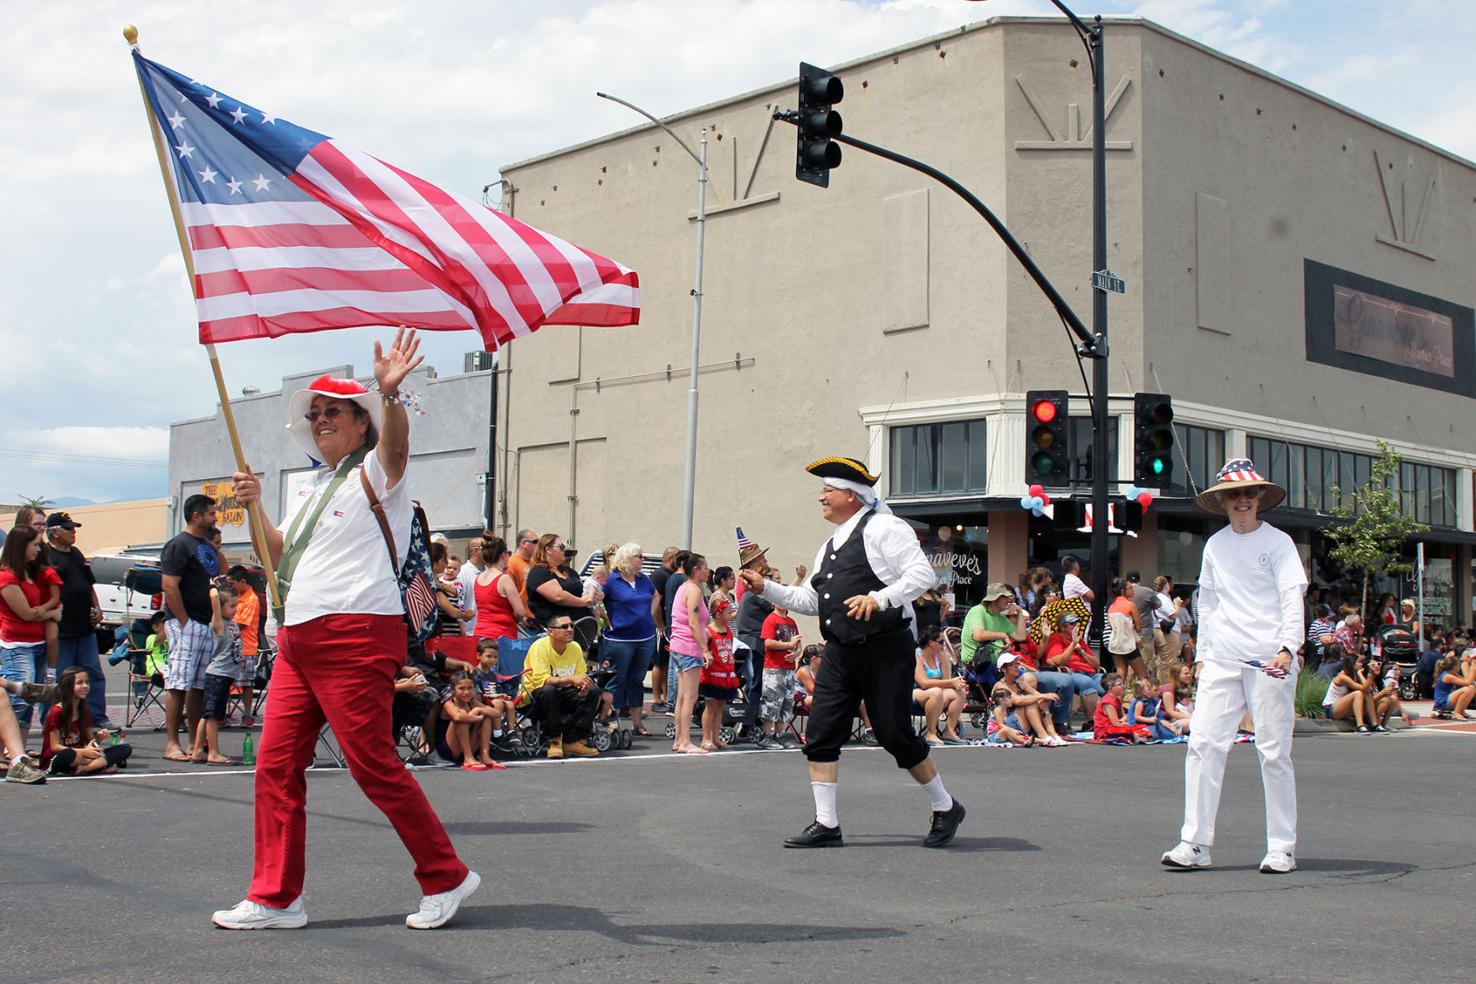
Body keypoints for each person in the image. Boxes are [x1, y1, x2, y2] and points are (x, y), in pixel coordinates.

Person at [217, 330, 478, 931]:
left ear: (361, 422)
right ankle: (276, 897)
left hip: (356, 631)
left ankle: (447, 875)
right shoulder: (306, 487)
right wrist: (255, 505)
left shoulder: (377, 473)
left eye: (333, 410)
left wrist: (389, 395)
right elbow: (277, 553)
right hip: (299, 639)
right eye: (314, 414)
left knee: (371, 763)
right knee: (274, 766)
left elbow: (398, 451)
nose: (320, 419)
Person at [739, 456, 963, 850]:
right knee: (822, 732)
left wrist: (880, 599)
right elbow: (810, 601)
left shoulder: (885, 528)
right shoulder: (829, 545)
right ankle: (826, 823)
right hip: (840, 650)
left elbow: (923, 575)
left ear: (853, 495)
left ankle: (945, 806)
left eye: (828, 490)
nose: (821, 497)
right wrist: (765, 589)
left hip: (884, 649)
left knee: (894, 734)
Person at [1164, 459, 1306, 876]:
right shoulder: (1216, 545)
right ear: (1224, 501)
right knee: (1203, 744)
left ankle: (1282, 847)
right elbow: (1207, 603)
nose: (1242, 500)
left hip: (1269, 658)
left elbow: (1290, 596)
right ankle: (1195, 842)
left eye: (1249, 494)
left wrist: (1288, 647)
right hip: (1223, 657)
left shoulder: (1279, 543)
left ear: (1259, 498)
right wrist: (1203, 654)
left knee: (1274, 750)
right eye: (1234, 495)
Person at [159, 494, 219, 762]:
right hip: (186, 623)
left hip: (207, 622)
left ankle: (196, 744)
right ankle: (172, 743)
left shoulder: (206, 545)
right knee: (178, 682)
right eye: (211, 513)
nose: (215, 518)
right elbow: (170, 585)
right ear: (196, 515)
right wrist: (184, 621)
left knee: (199, 685)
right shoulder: (178, 545)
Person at [43, 512, 110, 728]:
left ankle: (97, 719)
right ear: (53, 533)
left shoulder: (76, 554)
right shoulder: (45, 555)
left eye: (74, 528)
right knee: (62, 680)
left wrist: (97, 608)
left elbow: (88, 584)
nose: (74, 532)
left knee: (93, 675)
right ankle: (55, 723)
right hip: (60, 630)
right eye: (68, 528)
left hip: (85, 628)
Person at [0, 526, 63, 732]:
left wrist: (47, 611)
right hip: (17, 647)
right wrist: (53, 614)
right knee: (17, 701)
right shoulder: (6, 577)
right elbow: (26, 614)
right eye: (34, 544)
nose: (38, 549)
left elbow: (42, 607)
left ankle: (17, 754)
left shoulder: (29, 573)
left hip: (37, 644)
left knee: (28, 706)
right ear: (20, 546)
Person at [522, 615, 602, 758]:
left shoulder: (575, 647)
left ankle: (573, 740)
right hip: (534, 697)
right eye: (564, 627)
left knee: (593, 690)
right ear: (551, 631)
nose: (570, 629)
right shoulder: (539, 647)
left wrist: (584, 685)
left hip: (564, 693)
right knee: (549, 691)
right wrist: (571, 678)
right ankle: (554, 741)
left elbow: (581, 675)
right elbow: (543, 680)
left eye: (571, 626)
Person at [601, 542, 658, 737]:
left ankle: (637, 723)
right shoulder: (612, 581)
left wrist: (649, 615)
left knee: (636, 680)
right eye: (639, 556)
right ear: (627, 559)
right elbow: (597, 600)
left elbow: (655, 596)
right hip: (620, 639)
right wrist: (606, 619)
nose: (642, 560)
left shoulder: (644, 580)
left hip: (645, 637)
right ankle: (612, 721)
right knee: (616, 678)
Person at [40, 666, 131, 776]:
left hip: (83, 755)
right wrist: (85, 752)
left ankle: (85, 768)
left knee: (125, 749)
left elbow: (91, 742)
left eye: (87, 682)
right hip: (59, 757)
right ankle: (97, 765)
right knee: (68, 754)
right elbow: (54, 747)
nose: (85, 686)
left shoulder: (85, 711)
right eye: (79, 683)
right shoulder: (57, 711)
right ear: (68, 686)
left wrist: (98, 738)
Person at [192, 584, 244, 765]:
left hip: (225, 675)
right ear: (220, 607)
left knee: (207, 714)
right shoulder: (218, 623)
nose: (235, 610)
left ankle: (198, 749)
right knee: (213, 716)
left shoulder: (232, 624)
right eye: (231, 606)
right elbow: (214, 597)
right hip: (218, 675)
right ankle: (213, 752)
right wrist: (213, 584)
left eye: (236, 605)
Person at [668, 553, 711, 755]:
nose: (708, 571)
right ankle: (685, 741)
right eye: (705, 567)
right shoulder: (693, 590)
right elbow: (694, 622)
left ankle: (679, 739)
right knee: (690, 697)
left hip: (679, 646)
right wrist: (705, 650)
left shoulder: (684, 588)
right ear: (696, 569)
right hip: (689, 647)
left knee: (682, 696)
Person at [1042, 612, 1104, 731]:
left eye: (1076, 623)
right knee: (1087, 683)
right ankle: (1090, 722)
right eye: (1072, 624)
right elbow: (1057, 661)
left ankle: (1109, 720)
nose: (1075, 626)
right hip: (1072, 672)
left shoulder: (1080, 640)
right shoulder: (1056, 638)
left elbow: (1096, 664)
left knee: (1110, 682)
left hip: (1091, 672)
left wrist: (1081, 651)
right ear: (1063, 627)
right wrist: (1072, 645)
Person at [758, 595, 803, 749]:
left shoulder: (791, 622)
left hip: (789, 668)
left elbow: (798, 645)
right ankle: (766, 735)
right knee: (772, 702)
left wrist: (796, 653)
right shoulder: (770, 620)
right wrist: (788, 645)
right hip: (774, 668)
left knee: (786, 702)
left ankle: (780, 734)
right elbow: (768, 642)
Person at [991, 650, 1064, 745]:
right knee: (1031, 701)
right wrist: (1042, 696)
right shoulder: (1000, 685)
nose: (1017, 667)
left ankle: (1053, 735)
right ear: (1004, 669)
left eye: (1017, 664)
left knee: (1041, 702)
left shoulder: (1020, 683)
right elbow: (1017, 700)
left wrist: (1044, 698)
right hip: (1005, 726)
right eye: (1013, 665)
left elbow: (1036, 694)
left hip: (1018, 721)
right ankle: (1043, 736)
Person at [912, 624, 967, 745]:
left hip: (937, 692)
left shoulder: (941, 656)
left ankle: (949, 731)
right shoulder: (916, 656)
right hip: (916, 691)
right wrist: (950, 682)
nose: (943, 645)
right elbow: (923, 683)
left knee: (959, 692)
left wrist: (957, 683)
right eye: (941, 642)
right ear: (931, 642)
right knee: (935, 691)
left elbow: (947, 680)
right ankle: (931, 733)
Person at [438, 671, 504, 771]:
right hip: (450, 750)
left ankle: (484, 755)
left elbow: (497, 713)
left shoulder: (472, 702)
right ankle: (468, 758)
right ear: (453, 690)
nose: (466, 692)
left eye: (470, 688)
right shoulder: (449, 703)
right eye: (461, 688)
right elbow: (458, 717)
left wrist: (479, 709)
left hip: (470, 746)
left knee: (486, 715)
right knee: (462, 716)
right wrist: (476, 716)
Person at [472, 536, 533, 643]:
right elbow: (520, 611)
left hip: (480, 633)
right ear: (503, 555)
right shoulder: (504, 579)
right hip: (501, 635)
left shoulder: (478, 578)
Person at [960, 583, 1029, 674]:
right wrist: (1002, 635)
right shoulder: (977, 611)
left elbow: (1020, 636)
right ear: (994, 600)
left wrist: (1019, 611)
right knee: (1025, 679)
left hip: (997, 664)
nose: (1008, 600)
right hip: (978, 665)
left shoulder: (1001, 618)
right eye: (1004, 597)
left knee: (1028, 678)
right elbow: (978, 635)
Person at [699, 598, 740, 750]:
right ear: (718, 614)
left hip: (726, 674)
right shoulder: (708, 632)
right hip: (712, 675)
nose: (732, 616)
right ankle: (706, 738)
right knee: (710, 707)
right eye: (729, 613)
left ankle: (716, 738)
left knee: (720, 707)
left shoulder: (728, 630)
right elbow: (701, 649)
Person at [526, 534, 590, 630]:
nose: (564, 550)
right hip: (555, 632)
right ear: (548, 549)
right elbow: (558, 597)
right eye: (561, 546)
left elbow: (584, 590)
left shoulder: (569, 572)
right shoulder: (539, 572)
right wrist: (583, 602)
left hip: (580, 629)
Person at [224, 566, 261, 728]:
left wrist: (222, 626)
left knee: (246, 683)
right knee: (224, 680)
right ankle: (222, 713)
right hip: (229, 646)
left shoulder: (251, 599)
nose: (229, 587)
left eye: (232, 584)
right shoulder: (235, 596)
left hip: (246, 646)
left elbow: (242, 624)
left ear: (242, 582)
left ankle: (247, 713)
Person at [471, 637, 517, 754]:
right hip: (483, 701)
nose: (492, 660)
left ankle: (512, 732)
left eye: (495, 657)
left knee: (510, 704)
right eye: (489, 656)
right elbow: (479, 693)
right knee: (498, 703)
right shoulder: (475, 673)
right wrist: (497, 697)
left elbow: (494, 689)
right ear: (478, 656)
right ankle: (497, 734)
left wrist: (502, 695)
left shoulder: (492, 674)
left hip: (493, 698)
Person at [1094, 673, 1150, 743]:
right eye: (1119, 685)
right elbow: (1115, 723)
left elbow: (1124, 717)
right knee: (1127, 730)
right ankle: (1136, 736)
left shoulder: (1117, 700)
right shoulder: (1108, 702)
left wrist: (1126, 721)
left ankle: (1136, 735)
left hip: (1117, 725)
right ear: (1110, 687)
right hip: (1105, 731)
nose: (1123, 686)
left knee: (1141, 727)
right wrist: (1126, 722)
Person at [454, 536, 487, 636]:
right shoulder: (462, 574)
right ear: (476, 550)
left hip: (487, 633)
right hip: (470, 633)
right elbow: (457, 603)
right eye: (486, 547)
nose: (491, 551)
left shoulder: (489, 572)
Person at [1431, 650, 1476, 720]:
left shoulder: (1453, 674)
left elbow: (1467, 681)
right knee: (1468, 689)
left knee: (1471, 688)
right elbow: (1468, 683)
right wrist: (1473, 669)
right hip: (1443, 702)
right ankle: (1456, 712)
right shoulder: (1447, 676)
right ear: (1455, 666)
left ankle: (1461, 711)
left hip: (1447, 700)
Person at [507, 529, 537, 610]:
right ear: (523, 543)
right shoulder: (511, 562)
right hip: (521, 617)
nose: (538, 545)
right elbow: (509, 593)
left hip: (534, 615)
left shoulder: (534, 564)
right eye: (535, 542)